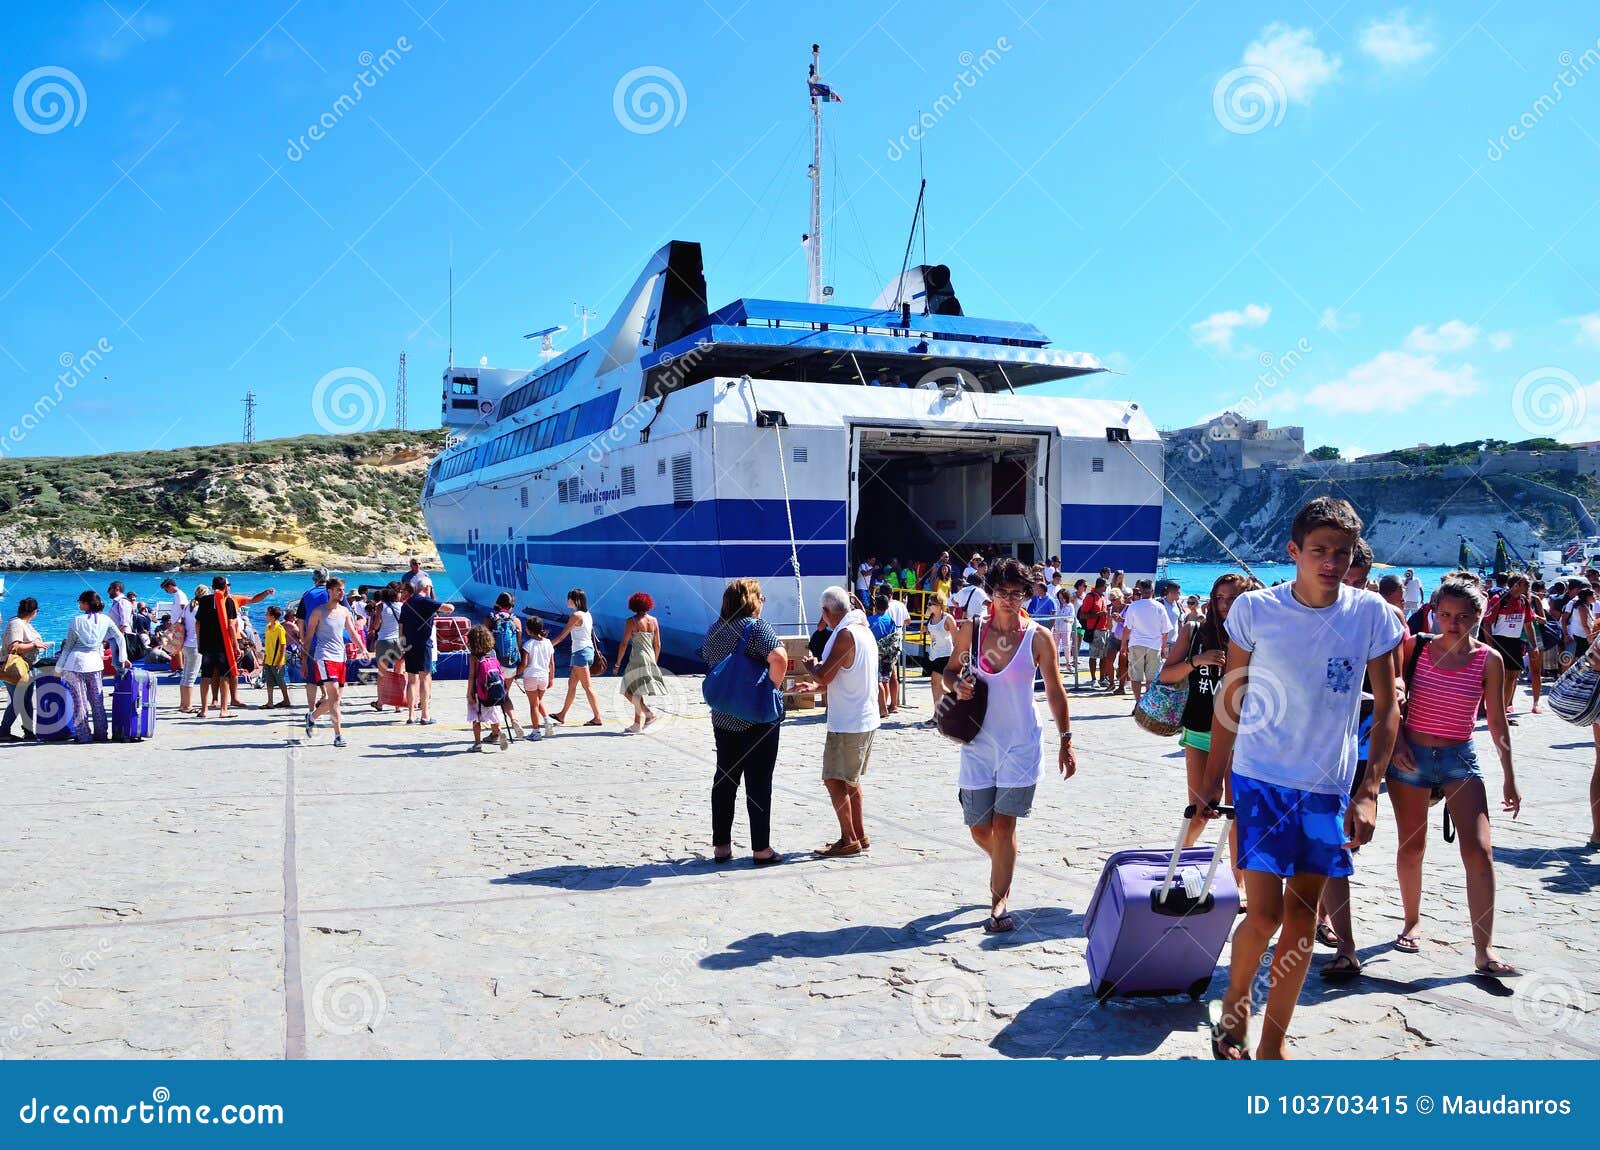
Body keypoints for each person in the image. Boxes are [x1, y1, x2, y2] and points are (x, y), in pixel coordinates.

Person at [1197, 497, 1404, 1060]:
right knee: (1264, 914)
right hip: (1260, 778)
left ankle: (1273, 1042)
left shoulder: (1371, 615)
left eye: (1342, 552)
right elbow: (1231, 697)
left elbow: (1388, 707)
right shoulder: (1255, 610)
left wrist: (1369, 790)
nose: (1330, 562)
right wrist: (1211, 781)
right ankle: (1235, 1006)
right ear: (1294, 551)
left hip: (1327, 787)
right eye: (1319, 550)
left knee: (1301, 919)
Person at [1388, 575, 1521, 977]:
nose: (1452, 623)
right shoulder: (1416, 647)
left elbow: (1496, 720)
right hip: (1411, 754)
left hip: (1459, 757)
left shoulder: (1489, 659)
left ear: (1478, 615)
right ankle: (1411, 922)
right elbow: (1393, 699)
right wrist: (1396, 743)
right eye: (1445, 614)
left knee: (1479, 851)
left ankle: (1484, 950)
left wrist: (1509, 775)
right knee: (1412, 846)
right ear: (1433, 612)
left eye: (1462, 616)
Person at [944, 557, 1077, 933]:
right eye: (1002, 592)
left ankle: (998, 902)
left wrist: (1066, 740)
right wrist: (957, 684)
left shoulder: (1038, 637)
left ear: (1026, 595)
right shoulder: (972, 630)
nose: (1009, 599)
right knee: (978, 828)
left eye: (1017, 593)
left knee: (1004, 827)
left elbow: (1055, 691)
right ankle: (1004, 860)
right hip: (978, 744)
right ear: (991, 593)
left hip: (1021, 744)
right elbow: (950, 670)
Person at [700, 578, 787, 865]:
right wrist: (771, 689)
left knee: (725, 779)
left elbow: (710, 661)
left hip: (724, 716)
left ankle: (721, 846)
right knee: (759, 782)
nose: (763, 602)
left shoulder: (715, 630)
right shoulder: (756, 628)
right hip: (758, 718)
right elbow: (779, 658)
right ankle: (761, 849)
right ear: (752, 600)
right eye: (761, 597)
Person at [1161, 574, 1247, 852]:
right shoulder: (1195, 630)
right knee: (1200, 809)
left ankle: (1237, 876)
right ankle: (1180, 858)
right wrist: (1197, 661)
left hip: (1239, 734)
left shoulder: (1254, 635)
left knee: (1236, 814)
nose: (1224, 605)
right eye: (1219, 598)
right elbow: (1166, 675)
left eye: (1233, 598)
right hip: (1199, 728)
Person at [794, 585, 879, 859]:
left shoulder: (845, 635)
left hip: (848, 722)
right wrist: (816, 687)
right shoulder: (863, 630)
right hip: (865, 717)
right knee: (851, 781)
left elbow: (826, 674)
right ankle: (859, 834)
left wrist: (811, 668)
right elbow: (847, 674)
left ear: (826, 611)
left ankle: (849, 839)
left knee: (833, 779)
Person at [56, 590, 130, 743]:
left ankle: (84, 735)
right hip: (95, 663)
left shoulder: (76, 620)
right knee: (97, 701)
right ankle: (101, 734)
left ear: (86, 604)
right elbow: (120, 637)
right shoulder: (106, 619)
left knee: (79, 702)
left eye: (80, 602)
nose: (79, 604)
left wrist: (58, 668)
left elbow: (68, 646)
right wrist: (123, 658)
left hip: (75, 664)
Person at [303, 578, 366, 748]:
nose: (342, 593)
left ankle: (312, 717)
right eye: (339, 590)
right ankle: (338, 736)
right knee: (335, 697)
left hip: (341, 657)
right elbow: (308, 638)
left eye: (343, 590)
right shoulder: (318, 612)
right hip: (324, 657)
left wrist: (363, 648)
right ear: (329, 591)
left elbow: (352, 632)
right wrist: (304, 661)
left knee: (336, 698)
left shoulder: (345, 611)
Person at [398, 580, 453, 724]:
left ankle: (411, 715)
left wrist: (402, 645)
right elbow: (449, 609)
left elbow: (401, 627)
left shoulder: (406, 604)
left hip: (409, 645)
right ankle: (425, 715)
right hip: (423, 645)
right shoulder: (426, 601)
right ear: (427, 587)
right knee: (424, 679)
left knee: (411, 680)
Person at [551, 588, 603, 726]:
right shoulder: (587, 614)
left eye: (568, 598)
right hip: (586, 651)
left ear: (575, 600)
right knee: (572, 684)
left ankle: (597, 717)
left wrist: (548, 645)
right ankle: (562, 715)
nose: (567, 600)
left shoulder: (576, 616)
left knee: (587, 686)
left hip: (580, 653)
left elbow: (562, 636)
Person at [1483, 574, 1532, 722]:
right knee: (1499, 678)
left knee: (1512, 677)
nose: (1528, 586)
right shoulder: (1499, 599)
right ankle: (1493, 711)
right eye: (1526, 583)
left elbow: (1528, 624)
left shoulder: (1524, 601)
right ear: (1516, 585)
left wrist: (1534, 645)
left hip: (1515, 641)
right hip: (1499, 640)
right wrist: (1490, 646)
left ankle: (1503, 712)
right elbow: (1486, 623)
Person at [617, 591, 667, 733]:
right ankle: (637, 724)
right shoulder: (654, 621)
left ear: (633, 605)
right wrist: (654, 661)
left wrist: (617, 663)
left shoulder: (631, 621)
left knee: (627, 690)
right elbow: (658, 644)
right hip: (650, 657)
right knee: (638, 690)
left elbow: (624, 643)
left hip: (637, 658)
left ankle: (648, 714)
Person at [1120, 579, 1173, 706]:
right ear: (1152, 591)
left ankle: (1138, 702)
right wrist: (1163, 647)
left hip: (1136, 643)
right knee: (1151, 677)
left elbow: (1127, 628)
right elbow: (1165, 631)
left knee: (1136, 676)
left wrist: (1123, 644)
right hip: (1154, 645)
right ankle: (1146, 704)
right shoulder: (1160, 607)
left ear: (1141, 591)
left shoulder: (1133, 606)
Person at [194, 577, 240, 719]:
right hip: (222, 644)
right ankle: (223, 709)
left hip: (206, 643)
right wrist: (236, 645)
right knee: (224, 676)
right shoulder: (228, 601)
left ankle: (204, 709)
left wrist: (199, 642)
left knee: (205, 676)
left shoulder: (204, 600)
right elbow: (231, 625)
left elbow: (198, 623)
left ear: (212, 587)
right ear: (225, 586)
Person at [1, 598, 46, 741]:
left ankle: (29, 732)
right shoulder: (16, 624)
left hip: (26, 668)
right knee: (19, 700)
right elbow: (14, 647)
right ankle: (3, 731)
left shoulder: (24, 623)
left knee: (25, 700)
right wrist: (34, 645)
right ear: (34, 611)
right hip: (14, 668)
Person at [487, 593, 526, 740]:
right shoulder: (516, 621)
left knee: (493, 697)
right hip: (510, 664)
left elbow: (486, 643)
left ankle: (496, 732)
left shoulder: (490, 619)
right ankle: (514, 720)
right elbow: (519, 645)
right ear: (511, 606)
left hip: (494, 665)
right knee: (505, 695)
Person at [465, 623, 510, 752]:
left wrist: (469, 693)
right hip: (492, 690)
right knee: (493, 713)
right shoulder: (492, 652)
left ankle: (477, 744)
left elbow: (472, 676)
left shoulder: (474, 656)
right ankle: (498, 732)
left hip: (478, 691)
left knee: (476, 717)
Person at [368, 584, 408, 714]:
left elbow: (376, 625)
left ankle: (380, 702)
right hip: (398, 641)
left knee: (382, 673)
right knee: (398, 673)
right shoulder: (402, 606)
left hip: (384, 641)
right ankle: (398, 704)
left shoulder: (381, 606)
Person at [296, 569, 332, 714]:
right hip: (332, 642)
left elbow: (300, 620)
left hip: (312, 641)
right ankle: (329, 701)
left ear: (314, 579)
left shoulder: (307, 595)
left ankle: (311, 709)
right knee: (331, 676)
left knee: (311, 678)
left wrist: (302, 638)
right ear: (328, 578)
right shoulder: (335, 592)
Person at [923, 594, 957, 728]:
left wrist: (959, 657)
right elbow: (933, 633)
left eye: (931, 604)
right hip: (934, 654)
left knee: (935, 682)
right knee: (938, 685)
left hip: (946, 654)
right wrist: (927, 630)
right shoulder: (931, 618)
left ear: (939, 605)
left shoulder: (947, 619)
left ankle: (937, 715)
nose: (928, 606)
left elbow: (956, 638)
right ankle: (952, 700)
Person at [518, 616, 555, 737]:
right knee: (538, 701)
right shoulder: (548, 643)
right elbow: (551, 663)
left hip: (531, 677)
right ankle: (547, 720)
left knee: (533, 705)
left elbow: (524, 664)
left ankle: (536, 731)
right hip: (544, 676)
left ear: (529, 630)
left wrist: (516, 673)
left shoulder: (527, 645)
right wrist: (551, 678)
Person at [1080, 578, 1112, 688]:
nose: (1107, 587)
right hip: (1095, 630)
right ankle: (1094, 679)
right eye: (1106, 585)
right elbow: (1083, 615)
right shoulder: (1091, 597)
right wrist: (1098, 614)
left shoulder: (1102, 597)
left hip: (1104, 630)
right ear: (1102, 585)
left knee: (1104, 656)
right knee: (1093, 656)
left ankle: (1102, 678)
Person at [262, 606, 290, 709]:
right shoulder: (268, 627)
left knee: (280, 681)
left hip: (277, 660)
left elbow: (283, 645)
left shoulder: (280, 629)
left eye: (267, 614)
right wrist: (264, 658)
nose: (266, 615)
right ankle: (270, 702)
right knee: (269, 681)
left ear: (273, 616)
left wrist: (280, 660)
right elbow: (267, 644)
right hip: (268, 659)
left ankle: (286, 700)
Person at [1051, 587, 1078, 679]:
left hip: (1066, 628)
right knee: (1055, 647)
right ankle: (1057, 665)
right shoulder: (1057, 604)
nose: (1061, 600)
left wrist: (1068, 620)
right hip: (1056, 628)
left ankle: (1068, 663)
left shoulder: (1070, 606)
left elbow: (1072, 617)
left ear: (1067, 597)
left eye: (1063, 598)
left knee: (1066, 646)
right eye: (1060, 598)